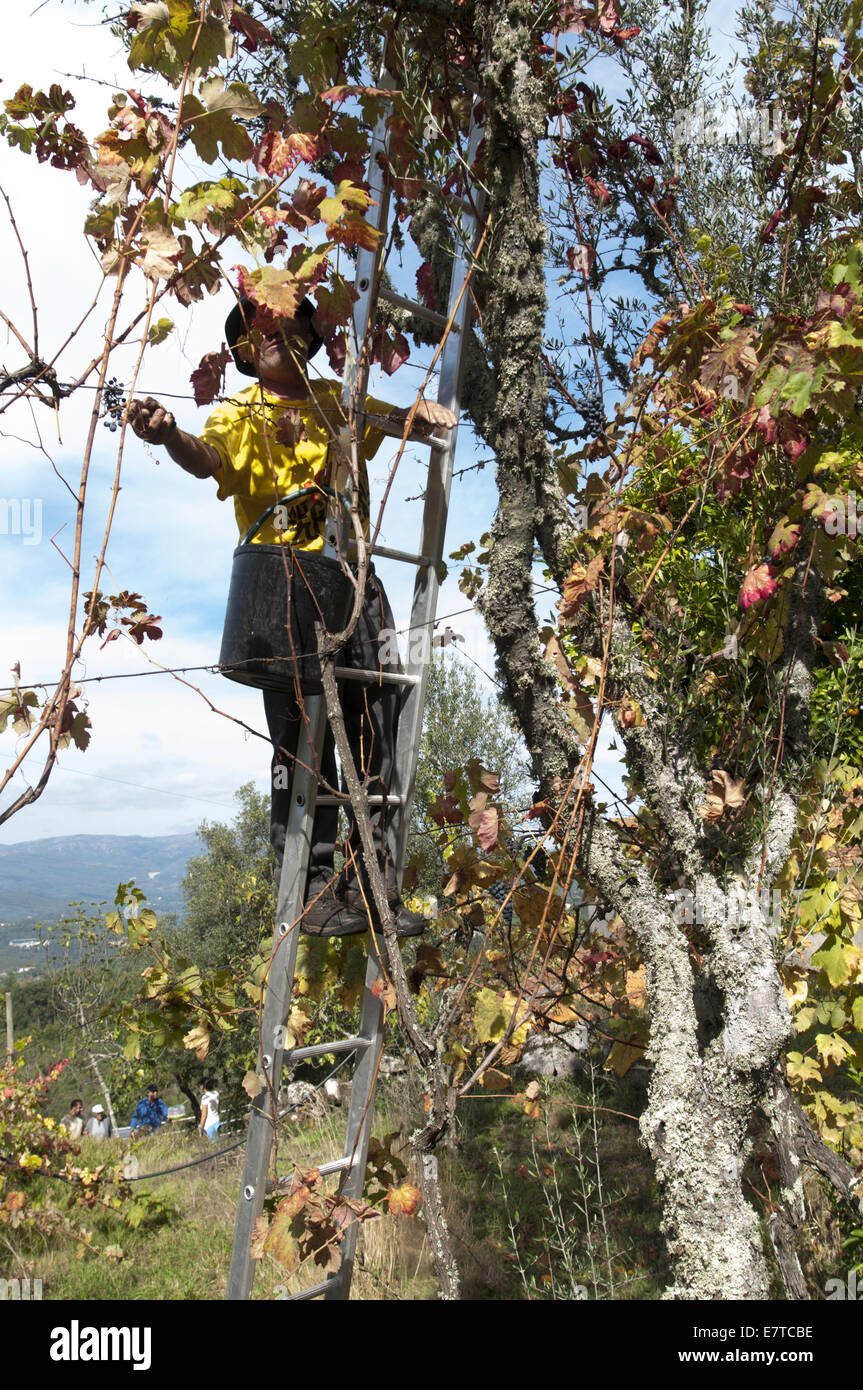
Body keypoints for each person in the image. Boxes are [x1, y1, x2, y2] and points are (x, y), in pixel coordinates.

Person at [129, 295, 457, 938]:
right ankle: (311, 895)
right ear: (245, 352)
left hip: (355, 589)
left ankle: (373, 890)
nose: (276, 332)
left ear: (311, 333)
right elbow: (207, 459)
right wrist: (168, 434)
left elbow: (402, 424)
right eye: (258, 328)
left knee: (375, 735)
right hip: (281, 594)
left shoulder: (341, 402)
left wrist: (423, 413)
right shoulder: (239, 416)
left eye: (289, 320)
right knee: (299, 746)